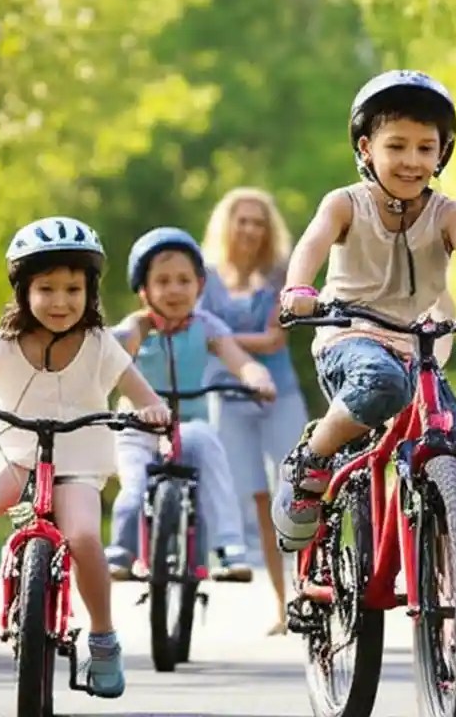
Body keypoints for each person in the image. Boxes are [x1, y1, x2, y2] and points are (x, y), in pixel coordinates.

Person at [271, 69, 456, 691]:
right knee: (380, 386)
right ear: (365, 149)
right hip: (352, 339)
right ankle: (311, 462)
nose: (411, 160)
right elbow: (310, 248)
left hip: (421, 350)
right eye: (396, 145)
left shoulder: (447, 212)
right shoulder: (344, 205)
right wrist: (300, 290)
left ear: (443, 153)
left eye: (426, 148)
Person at [0, 216, 171, 698]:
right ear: (22, 291)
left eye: (73, 289)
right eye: (47, 289)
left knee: (82, 537)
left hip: (78, 460)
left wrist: (154, 411)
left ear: (90, 291)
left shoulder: (101, 346)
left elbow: (142, 393)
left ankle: (102, 638)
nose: (60, 302)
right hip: (15, 452)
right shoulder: (5, 344)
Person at [105, 226, 276, 584]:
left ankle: (229, 550)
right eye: (162, 281)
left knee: (211, 457)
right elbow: (116, 350)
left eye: (184, 280)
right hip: (138, 428)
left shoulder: (207, 326)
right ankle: (122, 550)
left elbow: (239, 359)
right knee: (134, 485)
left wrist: (256, 377)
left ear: (199, 286)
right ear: (143, 290)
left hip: (189, 426)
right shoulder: (138, 326)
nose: (174, 289)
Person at [198, 187, 310, 635]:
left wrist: (218, 338)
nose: (249, 229)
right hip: (227, 399)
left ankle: (309, 589)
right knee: (259, 504)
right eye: (242, 220)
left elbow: (275, 340)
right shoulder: (204, 276)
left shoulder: (282, 274)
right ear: (227, 225)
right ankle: (283, 606)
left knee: (299, 494)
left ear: (268, 230)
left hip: (280, 395)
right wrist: (218, 339)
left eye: (258, 222)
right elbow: (202, 333)